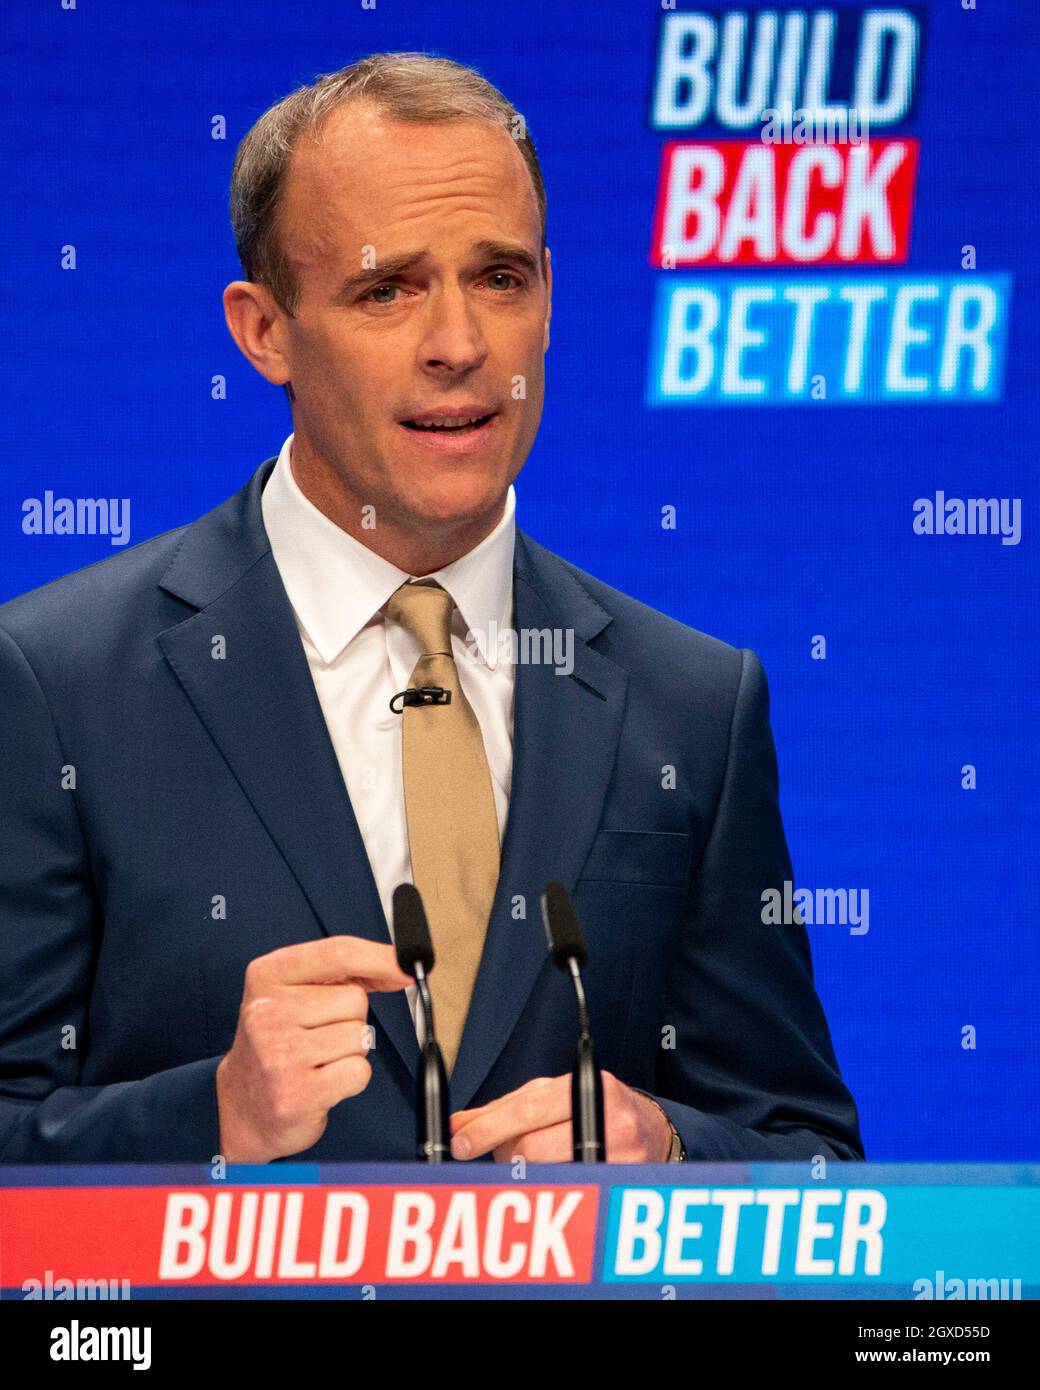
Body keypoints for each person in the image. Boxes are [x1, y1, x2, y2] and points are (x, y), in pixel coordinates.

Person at [0, 52, 863, 1165]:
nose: (459, 345)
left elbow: (811, 1155)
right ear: (263, 331)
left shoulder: (693, 704)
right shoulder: (55, 684)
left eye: (498, 278)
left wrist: (672, 1153)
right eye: (386, 288)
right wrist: (207, 1116)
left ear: (548, 297)